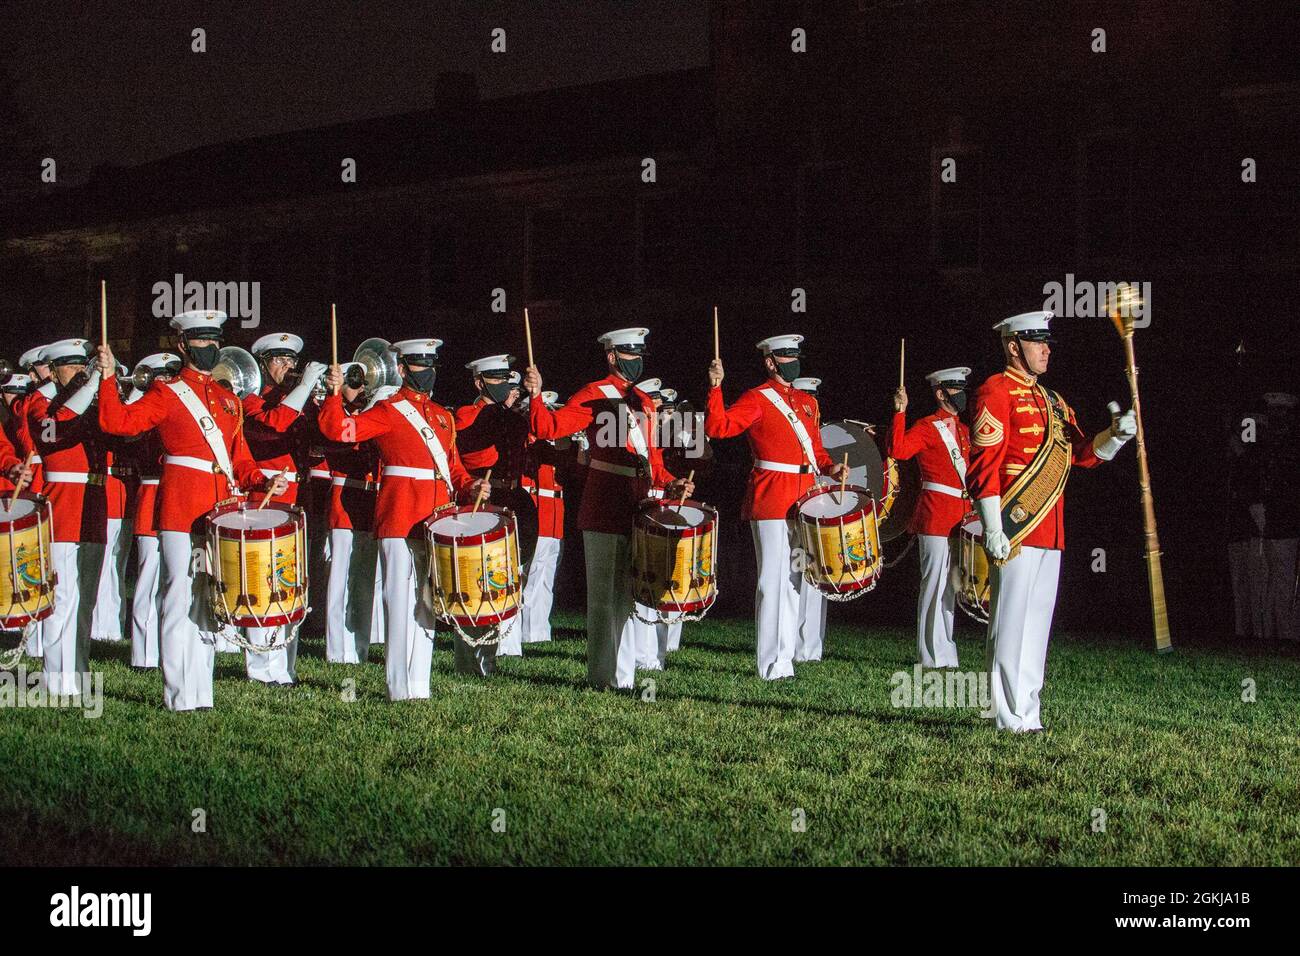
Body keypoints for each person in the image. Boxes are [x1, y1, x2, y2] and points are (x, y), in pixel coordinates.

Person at [97, 311, 287, 712]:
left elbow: (241, 459)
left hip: (219, 511)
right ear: (182, 345)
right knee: (178, 597)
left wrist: (262, 482)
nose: (209, 348)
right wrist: (109, 377)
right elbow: (118, 422)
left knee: (207, 602)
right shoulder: (167, 393)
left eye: (213, 339)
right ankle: (179, 694)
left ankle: (201, 692)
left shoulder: (228, 400)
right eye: (200, 341)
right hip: (182, 509)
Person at [967, 311, 1136, 732]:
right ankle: (1006, 716)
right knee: (1009, 622)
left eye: (1047, 342)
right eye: (1037, 342)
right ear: (1013, 346)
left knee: (1037, 623)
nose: (1046, 349)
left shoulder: (1055, 401)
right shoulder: (995, 391)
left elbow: (1080, 453)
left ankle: (1028, 713)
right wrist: (992, 526)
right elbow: (983, 466)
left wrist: (1114, 435)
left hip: (1051, 526)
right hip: (1016, 526)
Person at [522, 328, 693, 690]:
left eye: (640, 355)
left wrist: (672, 481)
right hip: (604, 502)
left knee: (632, 595)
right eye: (630, 355)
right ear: (613, 357)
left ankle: (625, 676)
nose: (637, 362)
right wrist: (535, 394)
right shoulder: (593, 394)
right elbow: (548, 426)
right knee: (603, 597)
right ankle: (601, 676)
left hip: (640, 503)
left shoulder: (645, 402)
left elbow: (652, 458)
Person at [319, 339, 488, 696]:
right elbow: (340, 431)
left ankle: (419, 685)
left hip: (436, 520)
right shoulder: (388, 410)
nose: (425, 373)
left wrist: (471, 487)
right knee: (398, 602)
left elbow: (453, 469)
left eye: (430, 366)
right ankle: (398, 685)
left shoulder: (442, 416)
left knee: (428, 603)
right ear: (402, 369)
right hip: (398, 517)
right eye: (418, 366)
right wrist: (334, 395)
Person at [704, 334, 847, 680]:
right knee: (772, 580)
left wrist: (831, 468)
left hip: (805, 497)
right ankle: (770, 663)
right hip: (771, 498)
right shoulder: (757, 399)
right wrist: (715, 388)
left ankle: (786, 658)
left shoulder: (805, 403)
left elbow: (816, 448)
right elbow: (717, 427)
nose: (793, 362)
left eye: (796, 355)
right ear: (770, 362)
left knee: (796, 579)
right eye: (786, 357)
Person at [238, 332, 327, 685]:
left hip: (299, 496)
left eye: (291, 360)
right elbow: (274, 424)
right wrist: (304, 387)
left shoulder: (303, 402)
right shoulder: (251, 401)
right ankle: (260, 669)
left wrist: (330, 397)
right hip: (266, 496)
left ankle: (285, 668)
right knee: (264, 582)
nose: (287, 366)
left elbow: (328, 438)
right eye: (278, 359)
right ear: (262, 364)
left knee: (292, 584)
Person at [28, 339, 108, 696]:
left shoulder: (90, 400)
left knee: (86, 596)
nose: (78, 372)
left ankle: (78, 673)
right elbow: (53, 433)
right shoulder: (41, 401)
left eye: (82, 365)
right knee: (61, 596)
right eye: (71, 366)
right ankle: (56, 677)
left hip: (95, 499)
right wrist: (91, 385)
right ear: (54, 369)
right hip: (63, 503)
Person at [888, 366, 973, 668]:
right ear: (940, 394)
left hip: (960, 515)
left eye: (963, 389)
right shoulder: (927, 426)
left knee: (952, 586)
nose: (962, 395)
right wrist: (900, 413)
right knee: (935, 584)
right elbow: (898, 449)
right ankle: (929, 654)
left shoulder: (964, 430)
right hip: (936, 514)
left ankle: (946, 651)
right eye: (956, 390)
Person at [455, 354, 530, 659]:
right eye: (496, 380)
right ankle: (478, 641)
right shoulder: (466, 414)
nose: (502, 385)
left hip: (513, 498)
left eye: (505, 379)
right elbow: (464, 451)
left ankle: (509, 645)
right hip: (484, 499)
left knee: (514, 572)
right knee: (482, 574)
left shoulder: (511, 417)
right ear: (479, 382)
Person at [322, 362, 385, 663]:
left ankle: (360, 646)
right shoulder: (334, 412)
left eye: (363, 382)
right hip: (345, 498)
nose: (360, 388)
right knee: (341, 579)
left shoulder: (370, 413)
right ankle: (338, 650)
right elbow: (335, 436)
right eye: (353, 382)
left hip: (370, 499)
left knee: (364, 580)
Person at [123, 353, 181, 668]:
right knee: (147, 581)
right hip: (152, 492)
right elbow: (127, 433)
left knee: (176, 580)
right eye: (159, 377)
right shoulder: (144, 409)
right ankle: (144, 655)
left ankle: (168, 647)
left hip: (176, 494)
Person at [518, 390, 566, 645]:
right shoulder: (527, 441)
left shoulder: (552, 443)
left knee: (547, 577)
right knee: (531, 575)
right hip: (537, 511)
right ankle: (527, 631)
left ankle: (539, 630)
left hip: (554, 515)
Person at [790, 376, 828, 662]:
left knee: (814, 575)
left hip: (811, 505)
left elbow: (819, 457)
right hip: (794, 508)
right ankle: (793, 643)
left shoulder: (812, 431)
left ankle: (810, 645)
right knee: (794, 574)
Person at [1260, 392, 1299, 642]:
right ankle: (1283, 635)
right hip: (1281, 521)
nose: (1279, 417)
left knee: (1285, 583)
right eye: (1275, 412)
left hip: (1287, 518)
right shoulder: (1266, 445)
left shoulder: (1290, 443)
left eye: (1283, 412)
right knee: (1281, 582)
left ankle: (1287, 633)